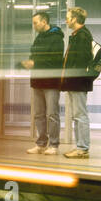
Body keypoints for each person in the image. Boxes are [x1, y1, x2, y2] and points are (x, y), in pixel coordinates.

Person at [20, 11, 63, 154]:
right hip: (37, 81)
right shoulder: (38, 38)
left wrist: (35, 62)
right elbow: (34, 56)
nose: (34, 26)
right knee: (39, 114)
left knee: (52, 114)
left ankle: (54, 145)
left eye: (35, 23)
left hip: (51, 82)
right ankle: (41, 144)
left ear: (44, 22)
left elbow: (56, 61)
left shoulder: (57, 38)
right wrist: (29, 63)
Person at [60, 7, 96, 159]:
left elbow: (80, 61)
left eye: (68, 17)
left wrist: (70, 78)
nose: (66, 20)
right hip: (74, 82)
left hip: (78, 82)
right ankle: (80, 147)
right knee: (77, 115)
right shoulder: (76, 35)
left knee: (80, 115)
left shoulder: (82, 36)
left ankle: (83, 148)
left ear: (75, 19)